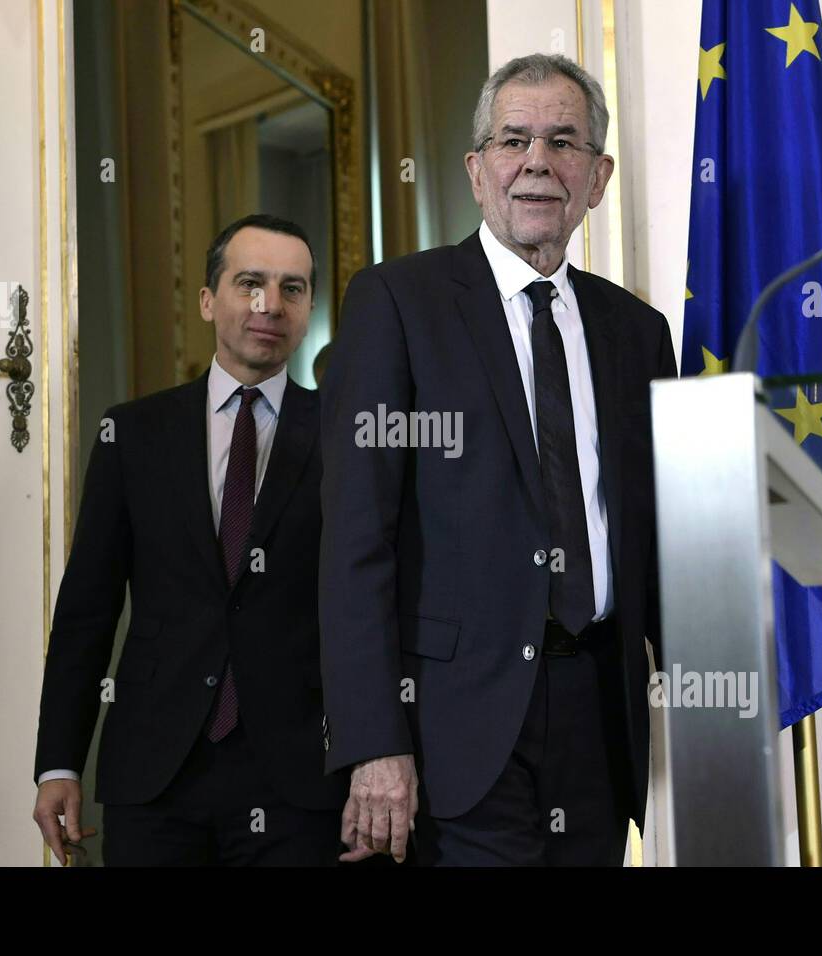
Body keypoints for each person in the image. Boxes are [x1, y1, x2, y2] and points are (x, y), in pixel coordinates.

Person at [319, 53, 676, 865]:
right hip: (456, 725)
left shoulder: (636, 333)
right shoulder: (398, 304)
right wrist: (375, 742)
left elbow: (659, 537)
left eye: (563, 141)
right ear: (478, 170)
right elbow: (354, 544)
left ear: (598, 175)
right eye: (514, 140)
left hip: (599, 720)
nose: (538, 162)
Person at [32, 213, 346, 865]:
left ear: (311, 304)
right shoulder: (134, 435)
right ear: (208, 300)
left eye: (293, 288)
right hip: (155, 774)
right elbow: (87, 611)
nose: (270, 304)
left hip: (300, 775)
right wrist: (57, 762)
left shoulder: (347, 437)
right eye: (250, 283)